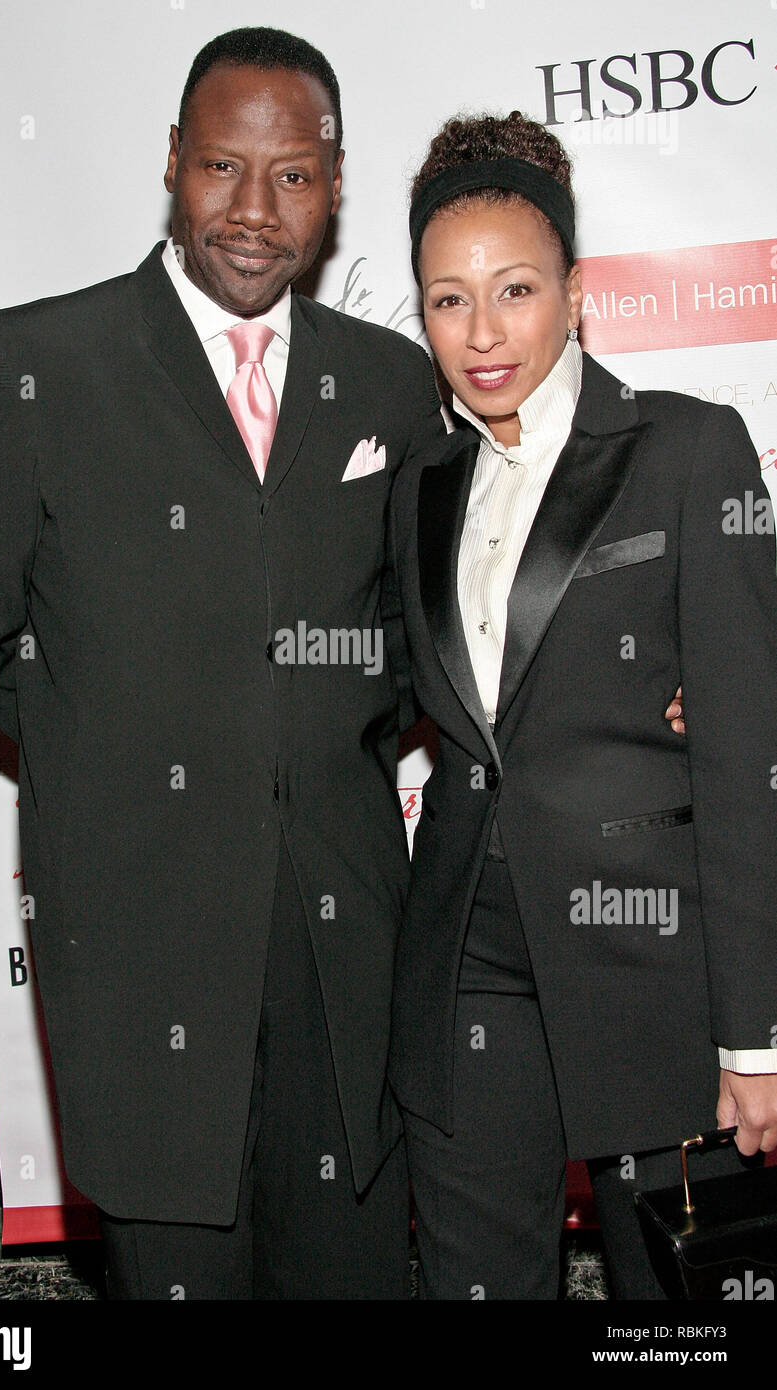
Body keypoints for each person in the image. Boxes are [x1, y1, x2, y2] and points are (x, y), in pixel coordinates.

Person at [0, 27, 449, 1300]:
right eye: (220, 168)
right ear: (170, 164)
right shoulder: (36, 362)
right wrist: (119, 748)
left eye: (293, 177)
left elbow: (430, 632)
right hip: (143, 946)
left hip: (345, 942)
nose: (254, 213)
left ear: (333, 181)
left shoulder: (389, 382)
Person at [387, 110, 777, 1300]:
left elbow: (748, 757)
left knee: (674, 1312)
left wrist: (754, 1035)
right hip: (464, 965)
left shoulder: (688, 450)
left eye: (514, 289)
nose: (483, 330)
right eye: (448, 300)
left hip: (652, 965)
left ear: (574, 292)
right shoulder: (418, 486)